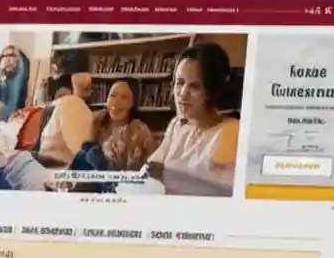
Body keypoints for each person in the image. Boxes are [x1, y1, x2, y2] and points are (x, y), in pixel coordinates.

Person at [146, 43, 239, 196]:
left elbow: (222, 190)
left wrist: (166, 176)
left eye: (194, 87)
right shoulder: (177, 126)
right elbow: (151, 169)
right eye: (180, 83)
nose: (182, 93)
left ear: (212, 91)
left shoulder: (231, 131)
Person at [92, 78, 156, 170]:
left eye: (124, 97)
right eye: (112, 95)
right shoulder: (96, 121)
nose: (116, 102)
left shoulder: (139, 130)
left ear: (133, 102)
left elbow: (143, 169)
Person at [0, 45, 29, 123]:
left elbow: (17, 105)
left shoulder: (20, 76)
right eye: (5, 56)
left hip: (14, 118)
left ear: (18, 59)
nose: (8, 59)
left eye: (11, 55)